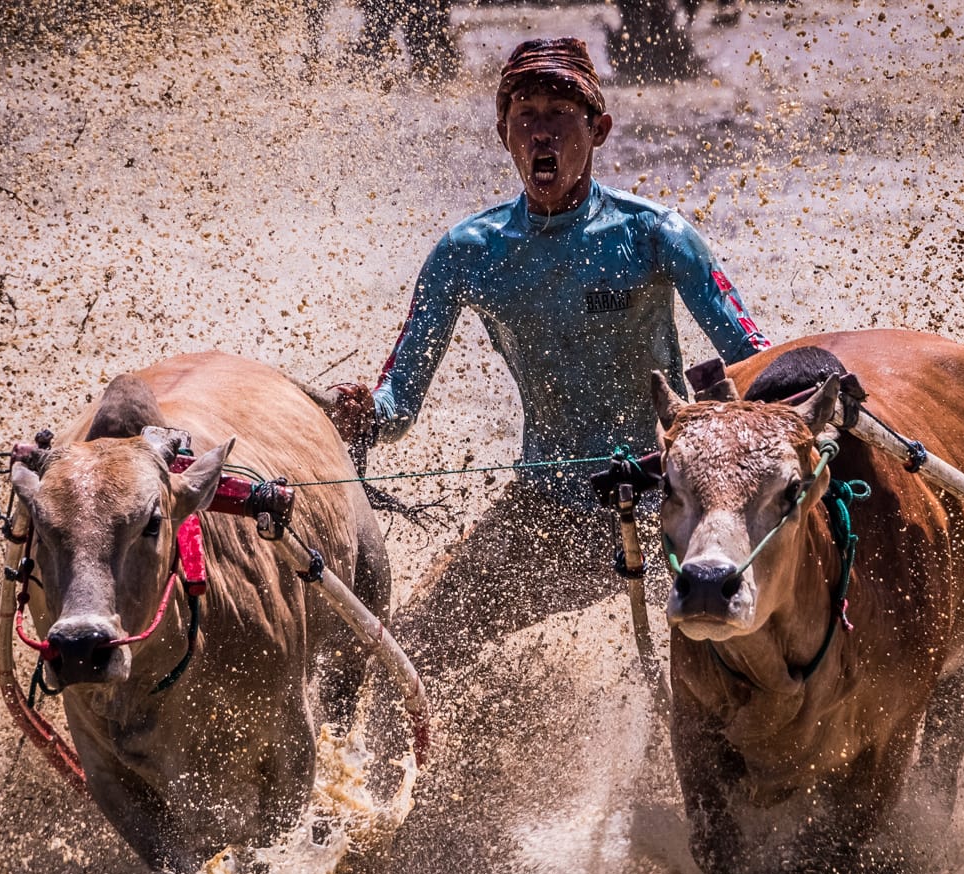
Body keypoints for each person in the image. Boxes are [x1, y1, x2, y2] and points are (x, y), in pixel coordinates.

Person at [327, 36, 773, 686]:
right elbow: (398, 404)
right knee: (408, 661)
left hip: (666, 501)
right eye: (526, 115)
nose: (543, 132)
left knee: (719, 670)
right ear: (503, 131)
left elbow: (753, 359)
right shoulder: (467, 253)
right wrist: (365, 413)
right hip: (545, 503)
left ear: (599, 129)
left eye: (561, 115)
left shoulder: (655, 234)